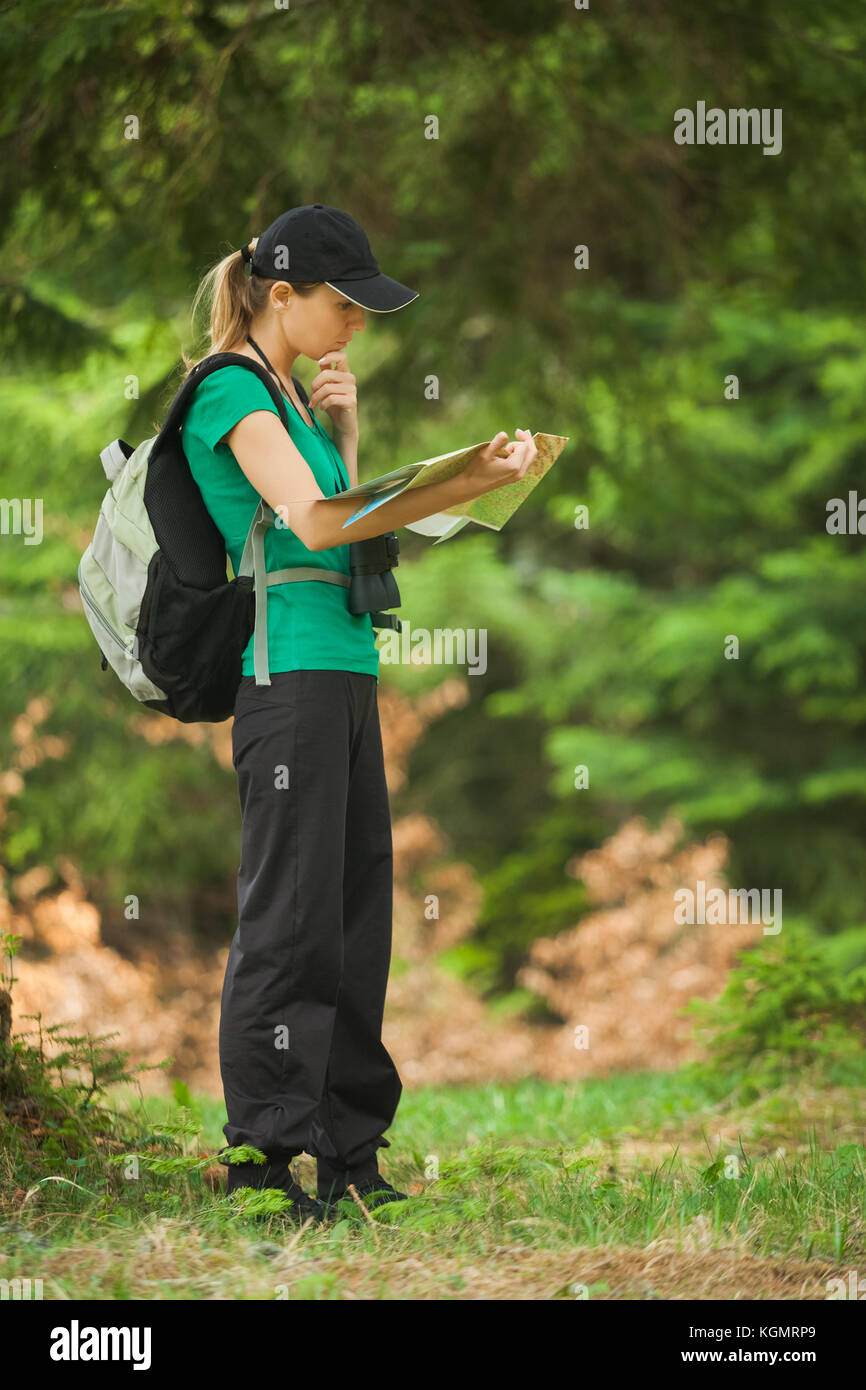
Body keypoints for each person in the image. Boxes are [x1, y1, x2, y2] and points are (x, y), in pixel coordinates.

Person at [181, 203, 537, 1224]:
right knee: (288, 920)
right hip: (283, 671)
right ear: (280, 295)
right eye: (344, 306)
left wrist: (347, 429)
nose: (357, 326)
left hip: (340, 665)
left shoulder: (292, 398)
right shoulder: (231, 393)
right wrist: (462, 474)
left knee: (350, 917)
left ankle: (347, 1151)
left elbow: (347, 531)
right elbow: (317, 522)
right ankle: (263, 1162)